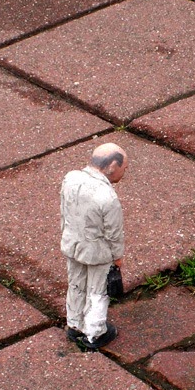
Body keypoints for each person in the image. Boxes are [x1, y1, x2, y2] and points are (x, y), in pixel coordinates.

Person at [60, 143, 127, 350]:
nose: (125, 172)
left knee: (76, 284)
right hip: (98, 252)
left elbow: (65, 211)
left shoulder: (70, 178)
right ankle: (95, 332)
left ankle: (74, 324)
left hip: (72, 244)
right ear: (113, 166)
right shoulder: (108, 197)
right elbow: (114, 233)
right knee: (98, 291)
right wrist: (118, 256)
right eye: (124, 167)